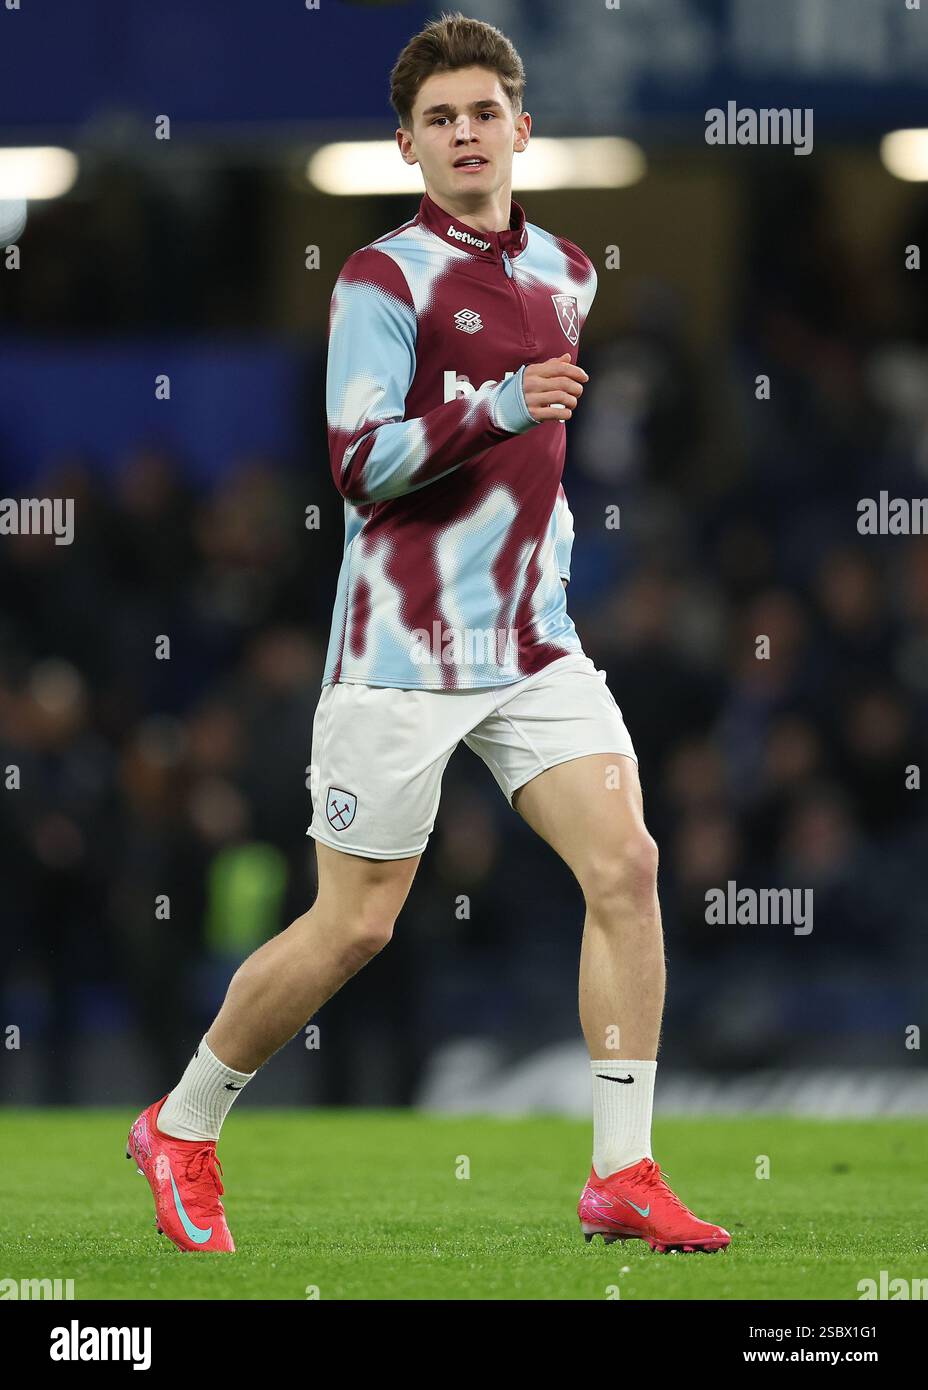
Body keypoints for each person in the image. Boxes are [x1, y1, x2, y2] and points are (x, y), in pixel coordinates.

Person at [127, 11, 730, 1257]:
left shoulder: (569, 271)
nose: (465, 132)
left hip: (532, 642)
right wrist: (498, 403)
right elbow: (356, 465)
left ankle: (622, 1171)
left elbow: (541, 463)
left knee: (625, 864)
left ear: (523, 126)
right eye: (440, 118)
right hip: (399, 649)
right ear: (408, 143)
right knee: (356, 924)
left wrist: (542, 541)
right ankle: (183, 1123)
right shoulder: (379, 278)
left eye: (483, 111)